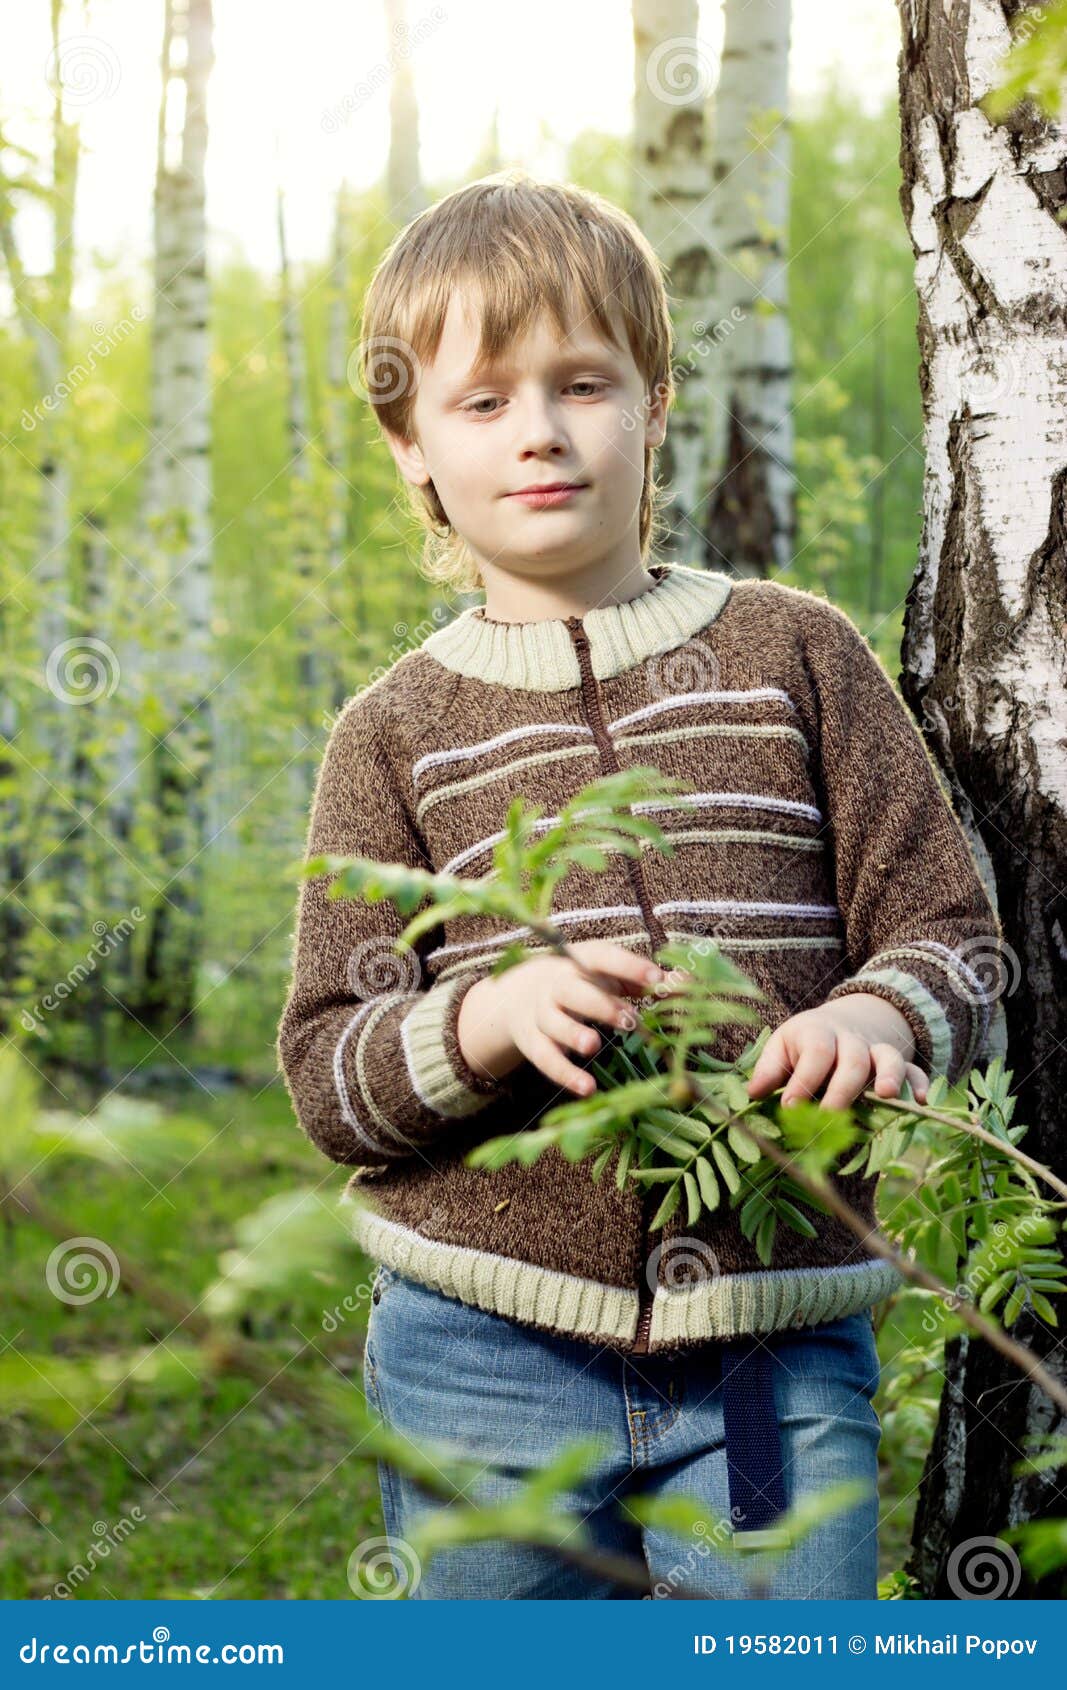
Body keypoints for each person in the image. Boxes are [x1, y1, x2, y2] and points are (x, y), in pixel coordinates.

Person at [276, 171, 1003, 1599]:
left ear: (655, 404)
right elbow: (324, 1071)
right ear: (411, 447)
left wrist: (883, 1019)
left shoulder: (795, 655)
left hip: (766, 1346)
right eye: (482, 400)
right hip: (476, 1357)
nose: (539, 431)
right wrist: (480, 1022)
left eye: (584, 383)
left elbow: (956, 933)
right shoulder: (391, 733)